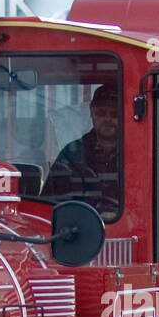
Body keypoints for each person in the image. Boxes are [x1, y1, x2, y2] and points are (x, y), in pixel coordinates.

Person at [44, 82, 121, 217]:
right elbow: (49, 203)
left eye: (114, 114)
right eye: (101, 113)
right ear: (91, 112)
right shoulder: (71, 154)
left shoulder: (136, 155)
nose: (108, 119)